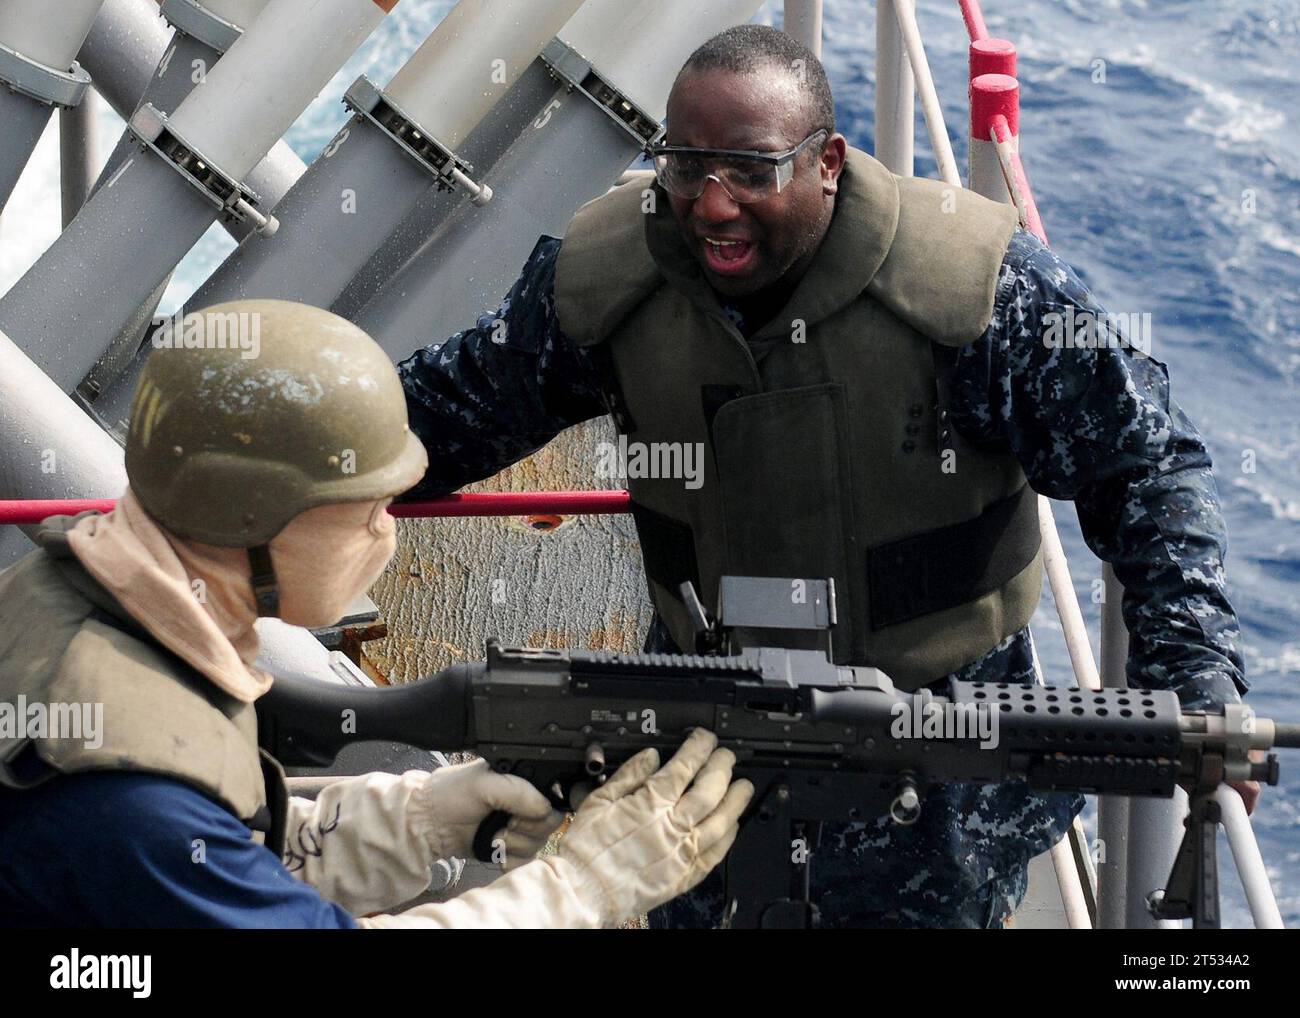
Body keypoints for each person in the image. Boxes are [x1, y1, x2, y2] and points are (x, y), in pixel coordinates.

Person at [396, 24, 1252, 928]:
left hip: (933, 776)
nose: (712, 205)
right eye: (685, 167)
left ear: (829, 162)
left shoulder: (977, 290)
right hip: (698, 753)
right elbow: (437, 420)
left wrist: (1194, 682)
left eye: (752, 170)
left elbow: (1146, 466)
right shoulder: (610, 281)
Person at [0, 298, 752, 929]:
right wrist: (582, 887)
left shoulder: (68, 598)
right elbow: (183, 851)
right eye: (366, 512)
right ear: (252, 516)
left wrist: (416, 820)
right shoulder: (127, 790)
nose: (387, 534)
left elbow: (228, 858)